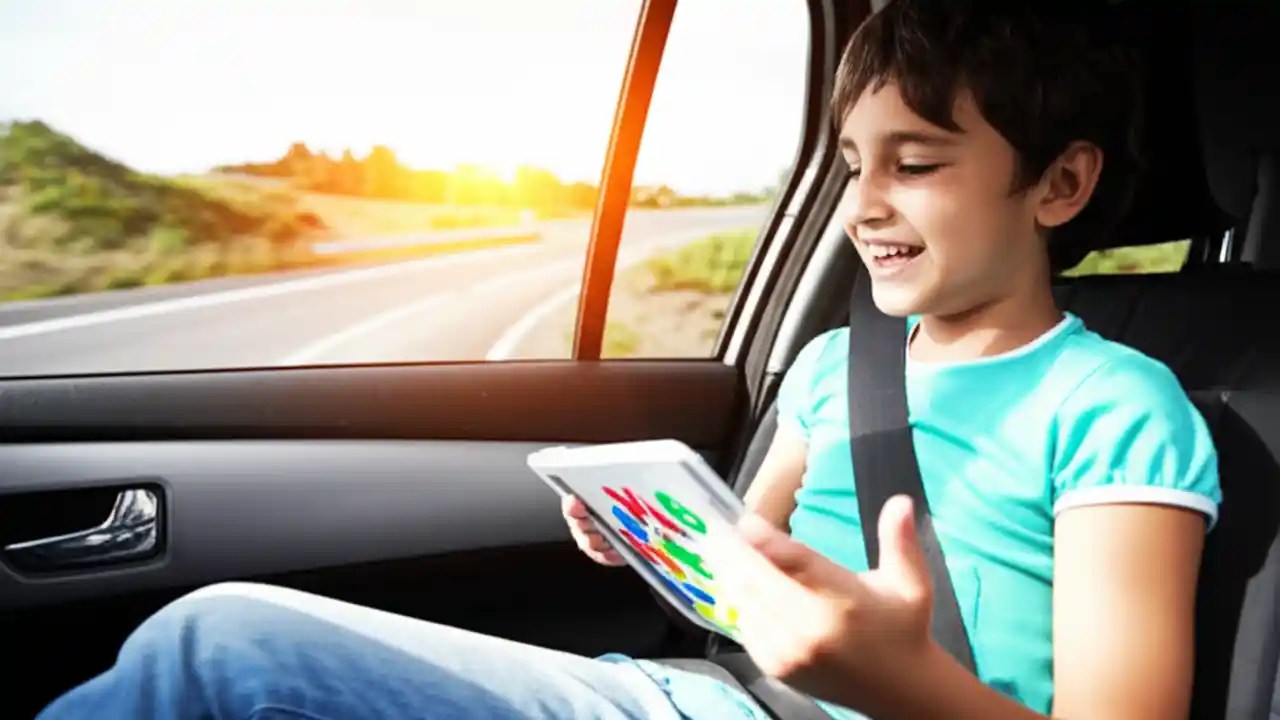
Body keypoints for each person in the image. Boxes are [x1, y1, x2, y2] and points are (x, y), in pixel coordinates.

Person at [34, 1, 1220, 718]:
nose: (861, 205)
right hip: (707, 694)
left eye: (913, 164)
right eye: (850, 164)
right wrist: (655, 539)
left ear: (1057, 184)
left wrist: (900, 684)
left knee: (221, 644)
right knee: (217, 628)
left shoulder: (1116, 407)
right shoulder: (824, 368)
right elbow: (736, 587)